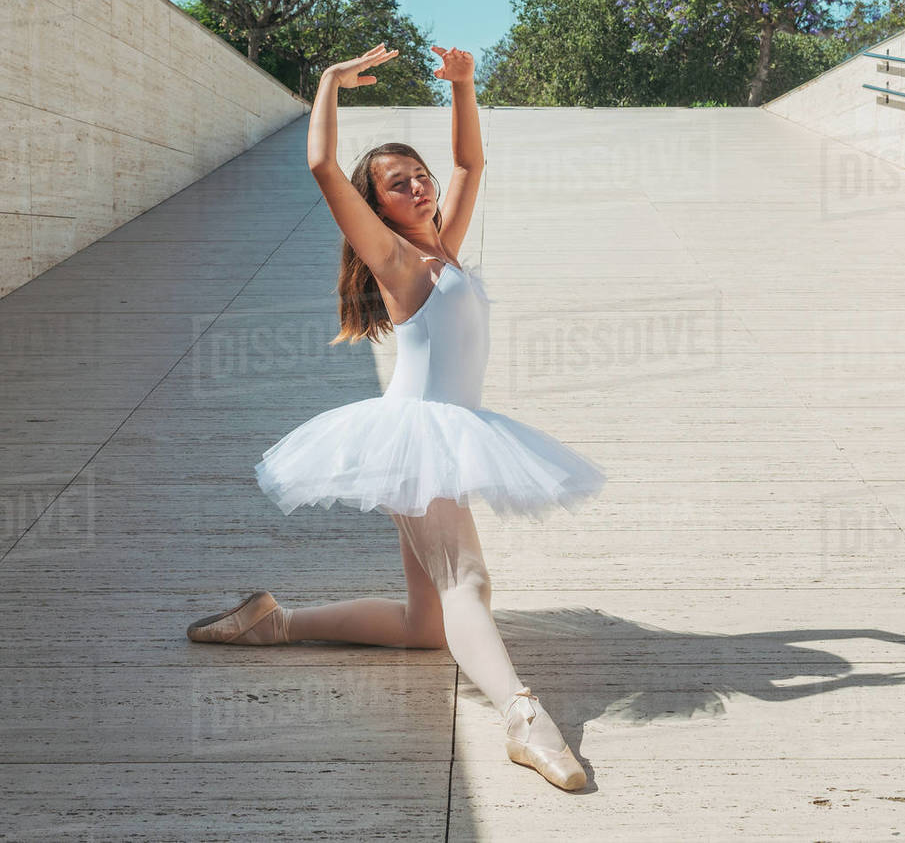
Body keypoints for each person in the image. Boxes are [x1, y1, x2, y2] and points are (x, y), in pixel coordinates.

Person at [185, 43, 606, 792]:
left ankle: (274, 621)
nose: (418, 184)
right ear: (375, 208)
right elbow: (321, 166)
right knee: (467, 583)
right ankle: (521, 716)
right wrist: (327, 83)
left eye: (419, 174)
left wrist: (465, 86)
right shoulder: (395, 262)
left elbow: (472, 166)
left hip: (446, 437)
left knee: (426, 627)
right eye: (397, 182)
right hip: (417, 435)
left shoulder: (442, 248)